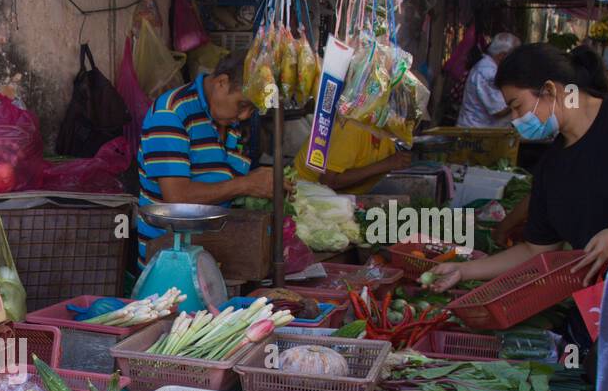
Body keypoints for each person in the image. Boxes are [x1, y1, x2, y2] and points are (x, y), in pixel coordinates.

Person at [428, 44, 608, 293]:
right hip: (604, 307)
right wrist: (463, 270)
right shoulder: (551, 167)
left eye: (517, 105)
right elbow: (537, 250)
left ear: (550, 90)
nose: (514, 117)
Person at [135, 51, 277, 266]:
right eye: (242, 104)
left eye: (252, 109)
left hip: (217, 254)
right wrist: (246, 185)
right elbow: (177, 197)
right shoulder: (171, 114)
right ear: (222, 82)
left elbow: (228, 187)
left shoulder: (232, 121)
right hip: (170, 258)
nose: (245, 115)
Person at [294, 119, 412, 194]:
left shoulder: (393, 130)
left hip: (344, 196)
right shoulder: (353, 127)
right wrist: (385, 165)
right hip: (306, 194)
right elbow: (328, 182)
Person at [457, 32, 521, 128]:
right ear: (502, 56)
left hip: (483, 134)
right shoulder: (487, 72)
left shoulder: (490, 68)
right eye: (514, 57)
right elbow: (499, 110)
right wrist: (522, 98)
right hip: (476, 135)